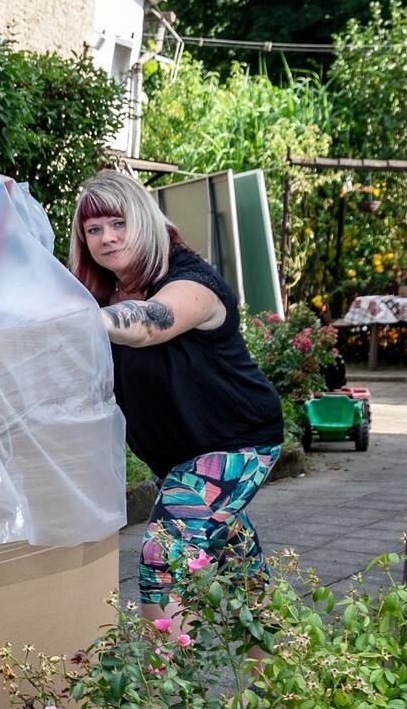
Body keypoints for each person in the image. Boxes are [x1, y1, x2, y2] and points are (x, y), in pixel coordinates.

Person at [69, 169, 285, 621]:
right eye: (94, 229)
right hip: (178, 461)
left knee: (162, 554)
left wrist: (68, 320)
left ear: (145, 220)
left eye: (118, 222)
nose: (107, 237)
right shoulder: (99, 296)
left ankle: (161, 690)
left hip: (237, 444)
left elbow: (148, 323)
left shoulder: (192, 283)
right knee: (242, 581)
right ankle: (276, 689)